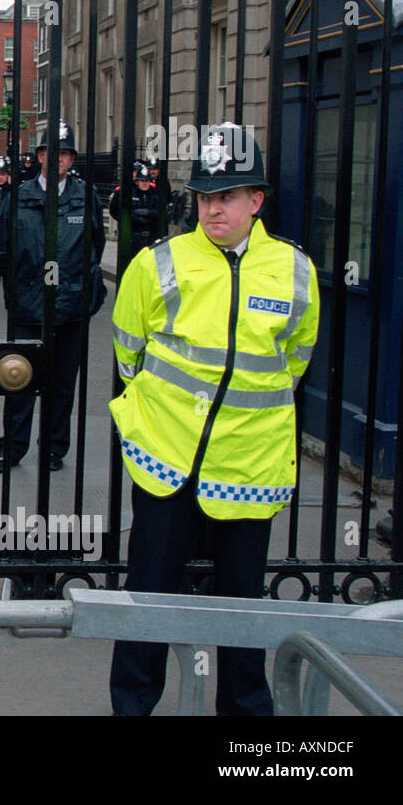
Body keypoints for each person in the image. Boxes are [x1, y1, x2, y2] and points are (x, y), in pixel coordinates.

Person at [108, 122, 319, 716]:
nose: (212, 208)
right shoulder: (157, 264)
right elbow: (129, 353)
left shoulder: (295, 271)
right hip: (167, 454)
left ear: (257, 201)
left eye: (226, 196)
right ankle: (132, 703)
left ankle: (246, 711)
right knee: (148, 592)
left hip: (250, 460)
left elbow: (294, 359)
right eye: (204, 196)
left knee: (241, 602)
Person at [0, 119, 105, 473]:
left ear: (71, 160)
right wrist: (16, 289)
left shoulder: (85, 198)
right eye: (50, 152)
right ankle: (12, 447)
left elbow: (95, 247)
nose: (57, 159)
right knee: (18, 378)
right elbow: (0, 249)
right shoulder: (18, 197)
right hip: (28, 305)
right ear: (40, 155)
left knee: (62, 384)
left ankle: (54, 447)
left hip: (69, 307)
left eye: (65, 153)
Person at [108, 161, 161, 256]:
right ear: (137, 181)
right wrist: (131, 218)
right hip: (132, 237)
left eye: (147, 181)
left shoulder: (155, 193)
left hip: (150, 236)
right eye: (142, 181)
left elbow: (160, 212)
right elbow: (114, 211)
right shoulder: (126, 192)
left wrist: (148, 213)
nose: (145, 184)